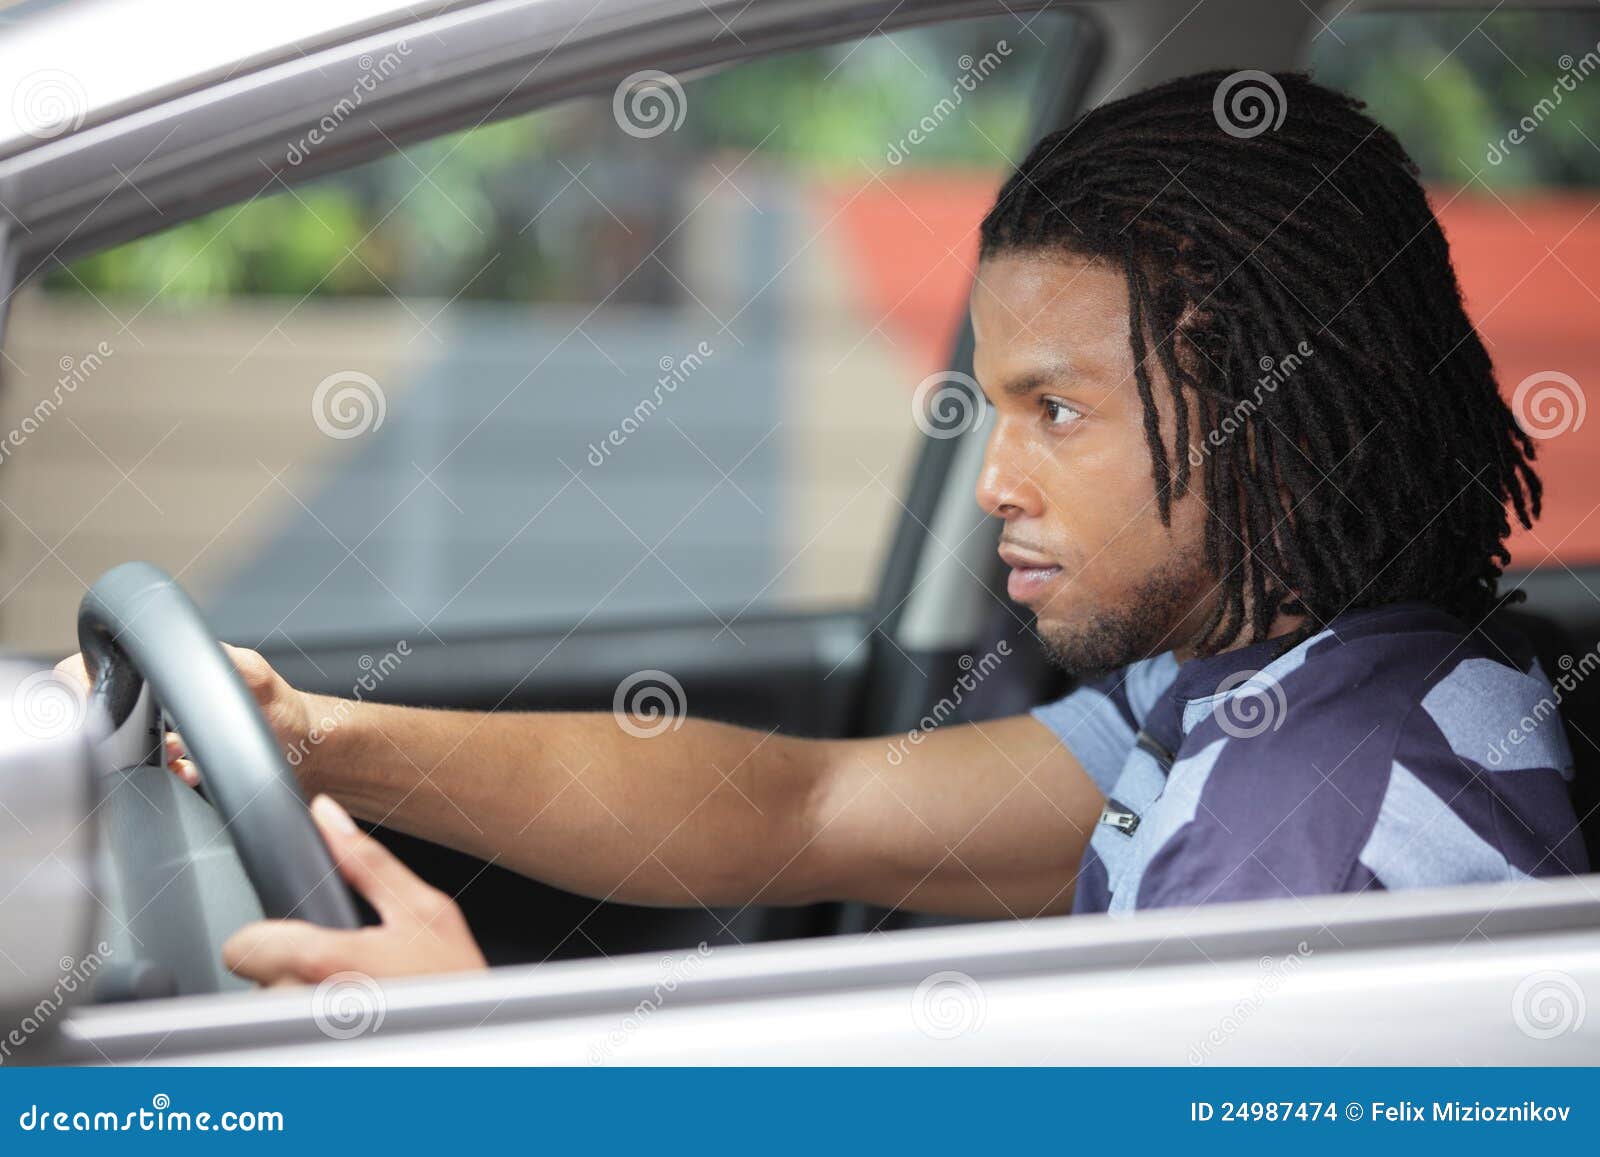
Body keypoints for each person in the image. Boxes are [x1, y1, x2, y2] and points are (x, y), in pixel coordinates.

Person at [58, 70, 1586, 986]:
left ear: (1273, 422)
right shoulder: (1262, 695)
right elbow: (801, 807)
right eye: (994, 408)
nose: (994, 480)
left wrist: (472, 1076)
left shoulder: (1310, 857)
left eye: (1057, 410)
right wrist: (311, 735)